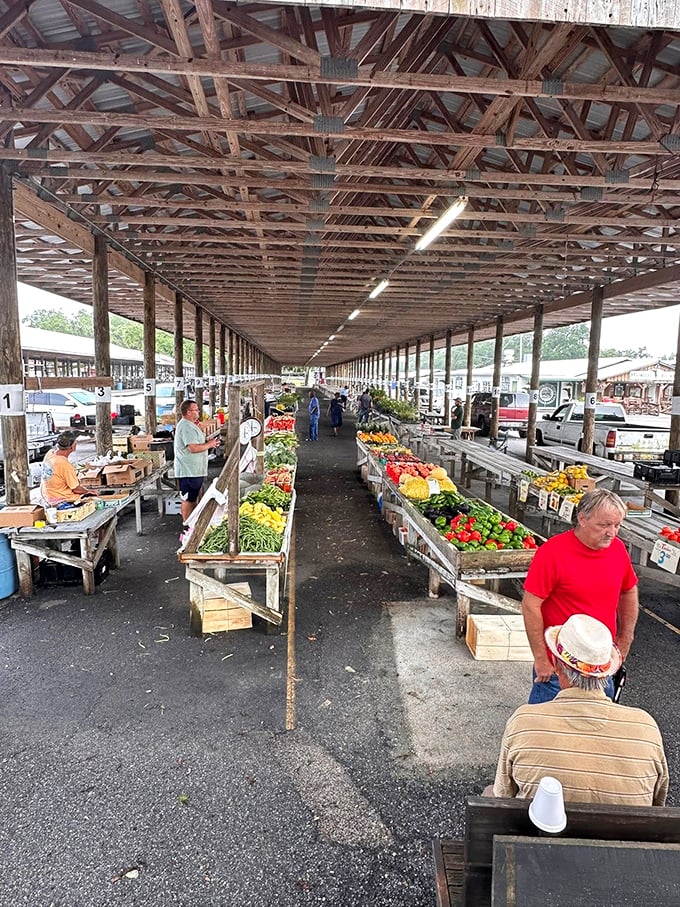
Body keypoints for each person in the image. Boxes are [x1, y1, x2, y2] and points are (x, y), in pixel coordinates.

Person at [491, 614, 668, 806]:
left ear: (558, 666)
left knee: (488, 793)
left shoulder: (523, 722)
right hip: (626, 834)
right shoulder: (646, 727)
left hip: (540, 835)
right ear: (608, 672)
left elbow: (503, 795)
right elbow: (657, 801)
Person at [522, 488, 638, 704]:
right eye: (604, 525)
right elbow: (530, 605)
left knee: (598, 732)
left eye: (617, 525)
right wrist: (540, 658)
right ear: (582, 519)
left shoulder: (618, 550)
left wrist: (626, 637)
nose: (611, 533)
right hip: (559, 670)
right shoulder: (553, 553)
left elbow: (628, 590)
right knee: (549, 731)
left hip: (601, 666)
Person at [174, 399, 221, 522]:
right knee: (188, 498)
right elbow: (193, 448)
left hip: (195, 469)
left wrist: (209, 442)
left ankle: (192, 522)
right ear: (188, 412)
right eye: (195, 410)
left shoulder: (190, 425)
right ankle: (187, 525)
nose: (198, 412)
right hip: (188, 470)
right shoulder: (186, 427)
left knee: (193, 497)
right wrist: (210, 444)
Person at [40, 431, 98, 504]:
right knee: (95, 498)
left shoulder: (50, 453)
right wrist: (88, 492)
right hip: (60, 498)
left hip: (48, 495)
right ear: (72, 447)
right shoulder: (64, 464)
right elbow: (76, 489)